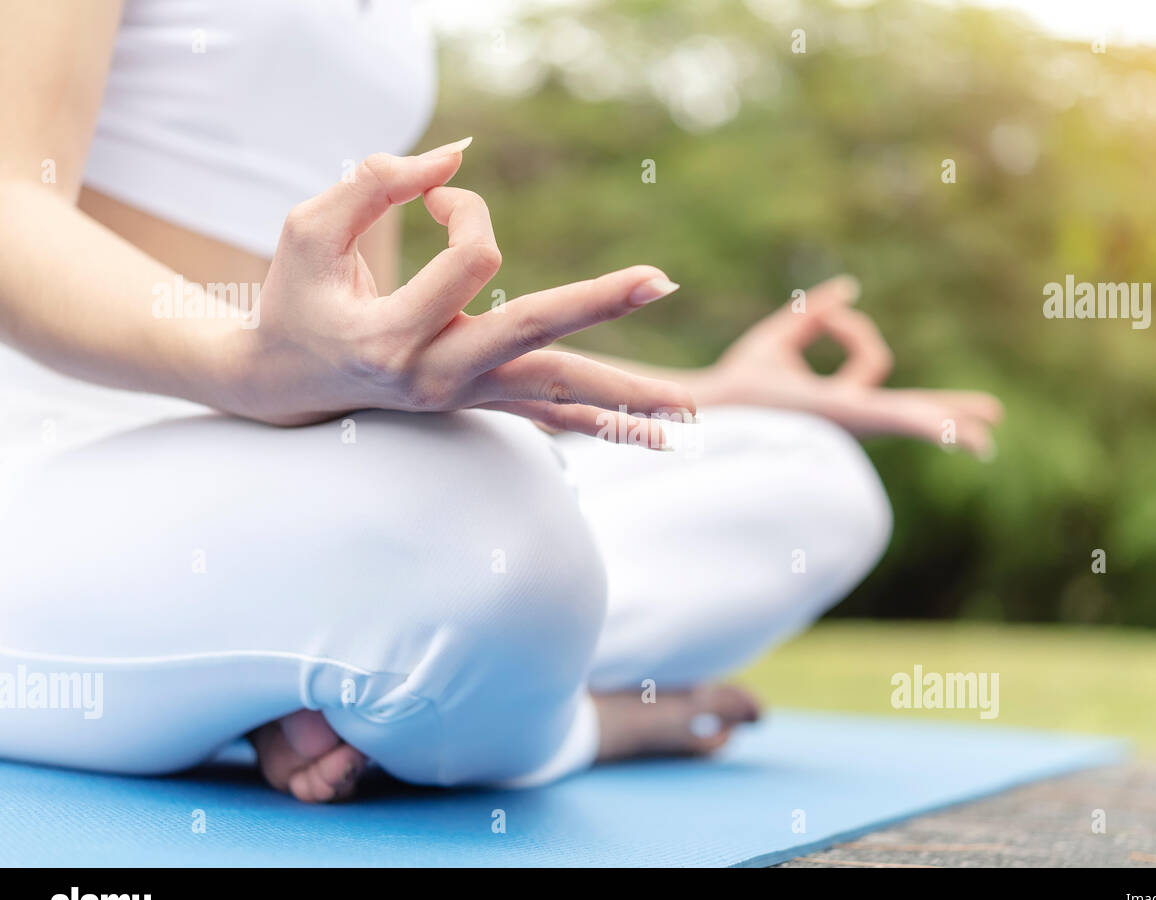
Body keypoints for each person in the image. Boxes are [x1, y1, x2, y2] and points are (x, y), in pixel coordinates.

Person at [0, 1, 1001, 802]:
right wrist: (248, 365)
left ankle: (384, 671)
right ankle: (559, 721)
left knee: (806, 475)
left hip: (279, 467)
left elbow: (369, 325)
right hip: (58, 467)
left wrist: (704, 396)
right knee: (487, 517)